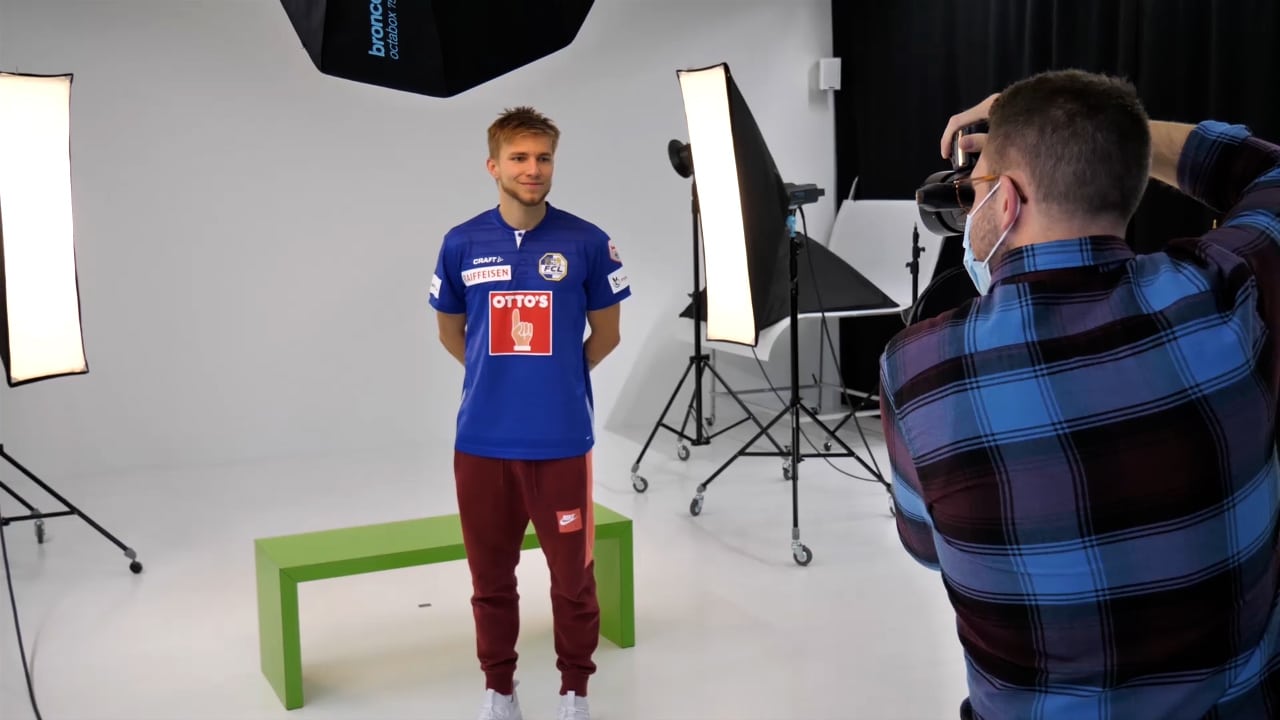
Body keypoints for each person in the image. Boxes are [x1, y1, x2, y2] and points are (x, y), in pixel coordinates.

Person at [879, 69, 1280, 719]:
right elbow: (1259, 168)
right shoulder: (1226, 296)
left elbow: (925, 546)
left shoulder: (916, 370)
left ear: (1004, 200)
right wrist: (1111, 135)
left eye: (975, 189)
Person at [429, 106, 629, 720]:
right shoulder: (461, 243)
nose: (532, 169)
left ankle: (575, 691)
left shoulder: (588, 242)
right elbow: (450, 333)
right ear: (494, 166)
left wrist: (556, 381)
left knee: (573, 580)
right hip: (482, 444)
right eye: (519, 158)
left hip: (562, 441)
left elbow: (608, 335)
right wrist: (501, 380)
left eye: (543, 158)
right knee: (491, 579)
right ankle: (500, 689)